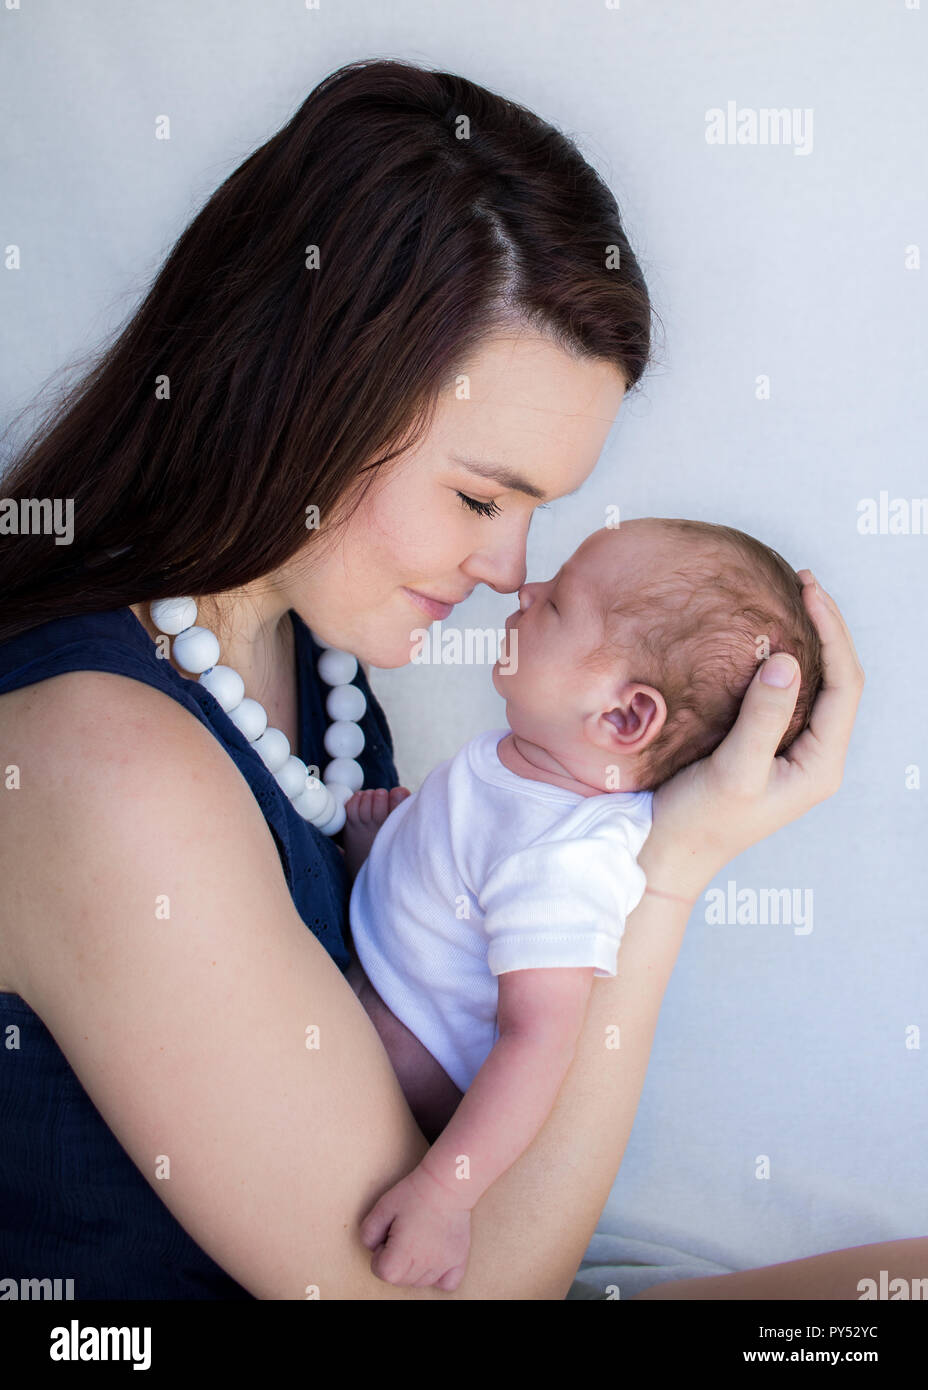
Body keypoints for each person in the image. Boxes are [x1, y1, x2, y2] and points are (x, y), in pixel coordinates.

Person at [0, 57, 874, 1300]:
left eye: (536, 512)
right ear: (302, 396)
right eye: (478, 494)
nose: (512, 569)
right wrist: (667, 870)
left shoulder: (309, 662)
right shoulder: (105, 762)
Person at [339, 517, 823, 1291]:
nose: (524, 589)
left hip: (411, 1055)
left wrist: (445, 1192)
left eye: (558, 602)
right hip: (393, 970)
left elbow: (537, 1041)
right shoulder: (529, 765)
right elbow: (465, 876)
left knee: (349, 1039)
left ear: (623, 717)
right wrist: (387, 857)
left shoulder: (568, 859)